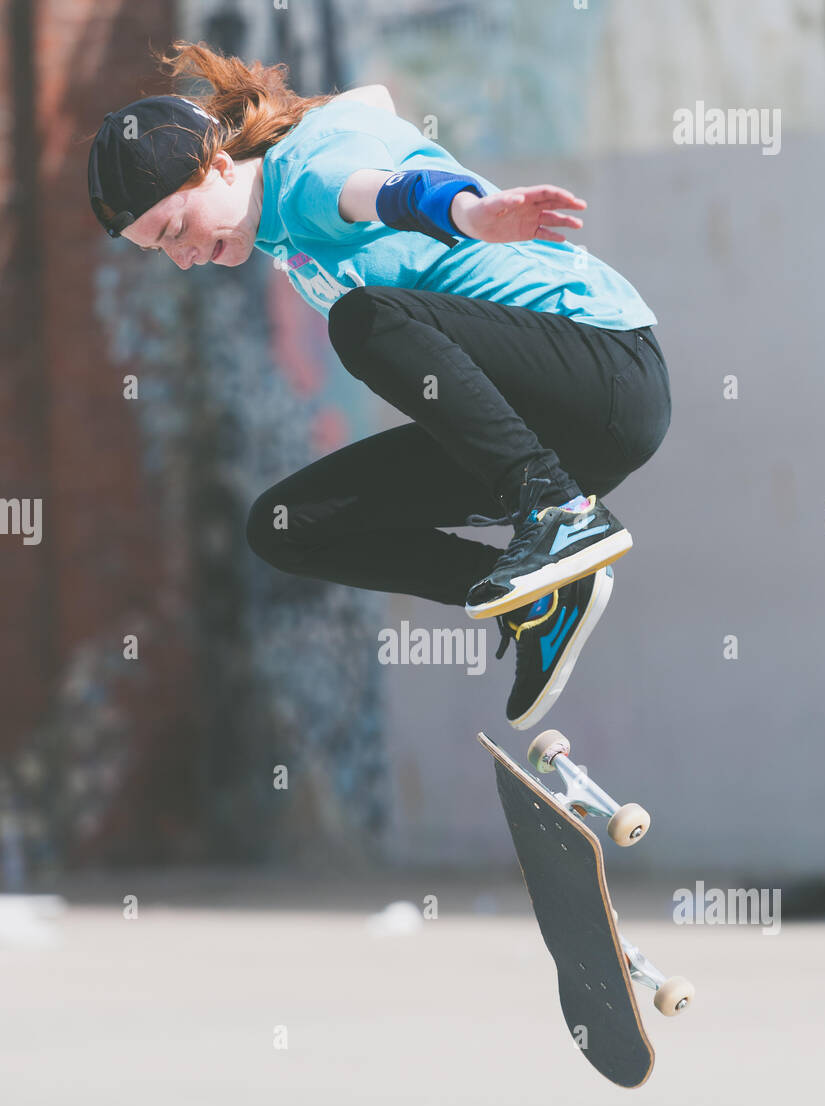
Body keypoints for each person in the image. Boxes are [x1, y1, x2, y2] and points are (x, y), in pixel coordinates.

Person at [88, 41, 671, 729]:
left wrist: (464, 212)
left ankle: (558, 518)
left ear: (218, 164)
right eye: (165, 251)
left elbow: (373, 192)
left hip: (604, 370)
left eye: (178, 228)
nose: (185, 258)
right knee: (284, 528)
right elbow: (372, 105)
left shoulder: (303, 173)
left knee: (364, 319)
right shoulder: (278, 200)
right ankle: (533, 600)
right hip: (554, 435)